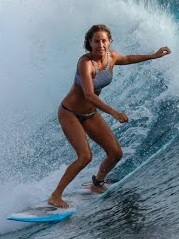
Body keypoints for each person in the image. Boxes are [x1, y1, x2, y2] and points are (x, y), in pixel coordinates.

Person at [46, 24, 170, 208]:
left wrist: (153, 55)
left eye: (104, 41)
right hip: (69, 113)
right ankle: (55, 196)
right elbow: (88, 95)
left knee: (115, 153)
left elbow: (127, 58)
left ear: (109, 41)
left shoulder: (111, 57)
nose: (101, 45)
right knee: (85, 157)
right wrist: (114, 112)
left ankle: (98, 183)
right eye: (96, 41)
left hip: (89, 113)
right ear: (89, 42)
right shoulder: (85, 63)